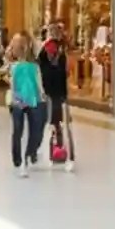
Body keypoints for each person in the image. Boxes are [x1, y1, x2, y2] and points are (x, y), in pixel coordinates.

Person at [6, 33, 46, 178]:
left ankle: (22, 157)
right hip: (26, 99)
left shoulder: (23, 66)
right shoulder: (23, 67)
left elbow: (15, 84)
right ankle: (23, 157)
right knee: (25, 129)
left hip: (25, 99)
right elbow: (36, 83)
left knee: (24, 129)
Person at [38, 29, 70, 161]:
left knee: (57, 121)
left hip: (57, 93)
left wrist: (64, 95)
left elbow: (63, 76)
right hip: (46, 93)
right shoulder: (42, 57)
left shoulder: (61, 57)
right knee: (45, 120)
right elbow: (42, 74)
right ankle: (44, 145)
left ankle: (57, 146)